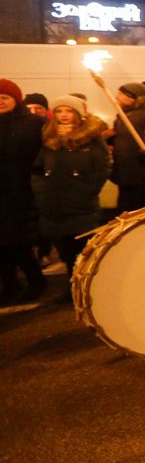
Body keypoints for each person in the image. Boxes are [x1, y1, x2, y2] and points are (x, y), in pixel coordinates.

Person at [32, 95, 110, 284]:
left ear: (78, 114)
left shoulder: (91, 138)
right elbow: (38, 169)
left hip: (81, 205)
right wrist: (41, 190)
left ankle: (89, 287)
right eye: (59, 111)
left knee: (84, 251)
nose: (64, 115)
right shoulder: (50, 138)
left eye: (69, 111)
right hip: (53, 204)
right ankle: (72, 287)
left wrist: (86, 191)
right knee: (65, 251)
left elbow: (102, 168)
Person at [0, 78, 47, 304]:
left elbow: (46, 152)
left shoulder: (32, 123)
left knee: (19, 243)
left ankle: (36, 282)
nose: (0, 102)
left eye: (5, 98)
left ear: (15, 99)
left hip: (21, 190)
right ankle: (9, 285)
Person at [110, 82, 145, 212]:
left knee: (140, 211)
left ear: (133, 97)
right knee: (123, 211)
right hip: (124, 173)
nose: (117, 96)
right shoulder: (122, 116)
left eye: (121, 93)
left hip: (141, 173)